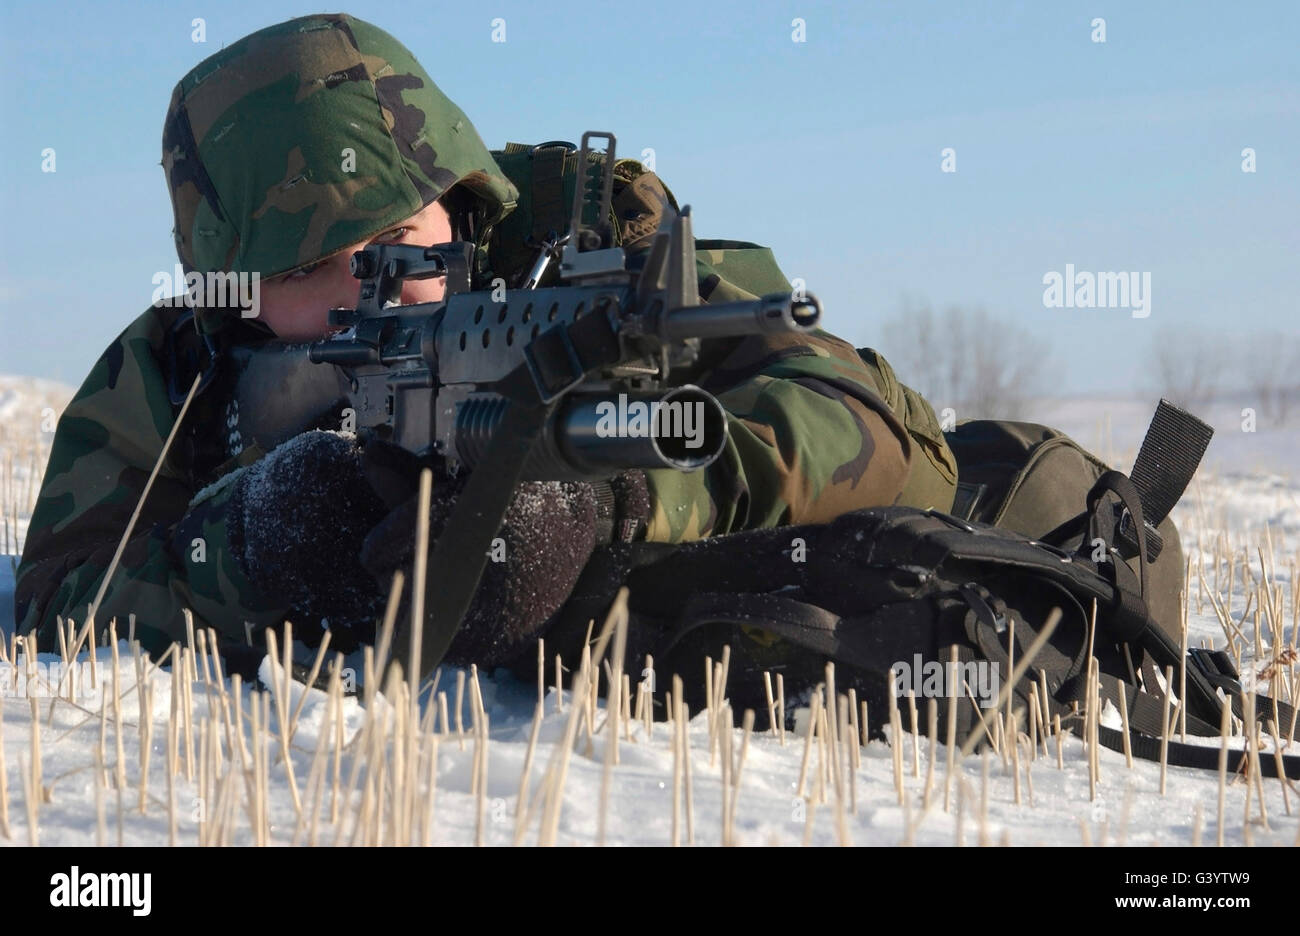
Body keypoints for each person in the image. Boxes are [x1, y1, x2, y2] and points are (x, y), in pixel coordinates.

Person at [14, 13, 958, 674]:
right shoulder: (181, 362)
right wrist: (253, 544)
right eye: (303, 272)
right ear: (237, 294)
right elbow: (54, 602)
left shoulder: (601, 267)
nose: (360, 295)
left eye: (393, 243)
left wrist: (617, 497)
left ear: (459, 204)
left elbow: (885, 437)